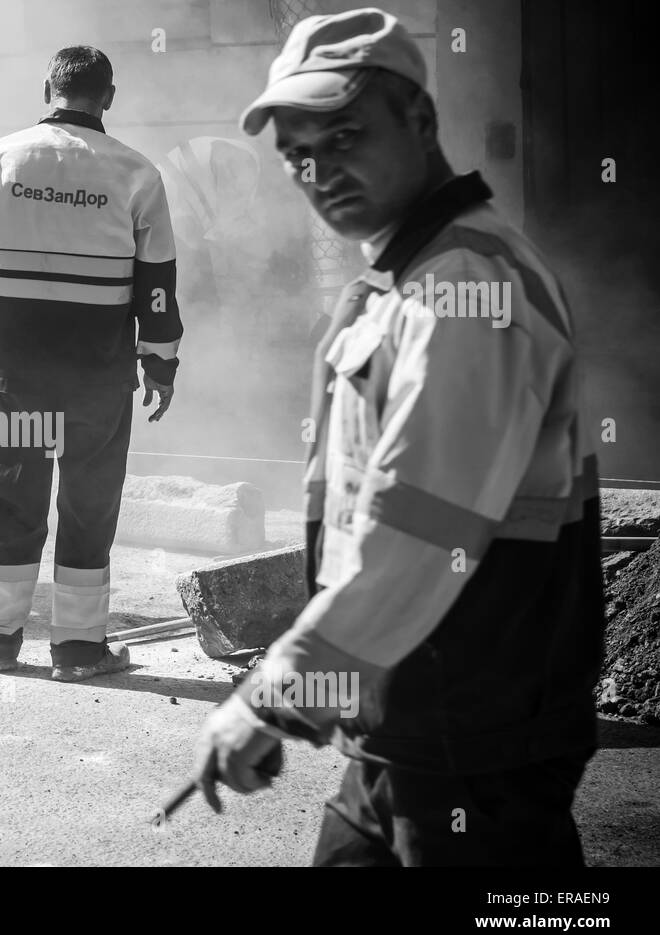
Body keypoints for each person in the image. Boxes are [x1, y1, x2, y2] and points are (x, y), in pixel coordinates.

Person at [191, 8, 604, 865]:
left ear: (420, 119)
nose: (316, 169)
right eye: (297, 152)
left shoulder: (464, 290)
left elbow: (417, 535)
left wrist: (277, 694)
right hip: (411, 728)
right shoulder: (406, 277)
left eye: (343, 135)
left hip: (474, 747)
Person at [0, 46, 183, 682]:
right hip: (98, 382)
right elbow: (156, 285)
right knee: (89, 504)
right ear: (109, 97)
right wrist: (160, 364)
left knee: (14, 499)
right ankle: (78, 650)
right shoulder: (137, 172)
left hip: (18, 377)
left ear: (49, 86)